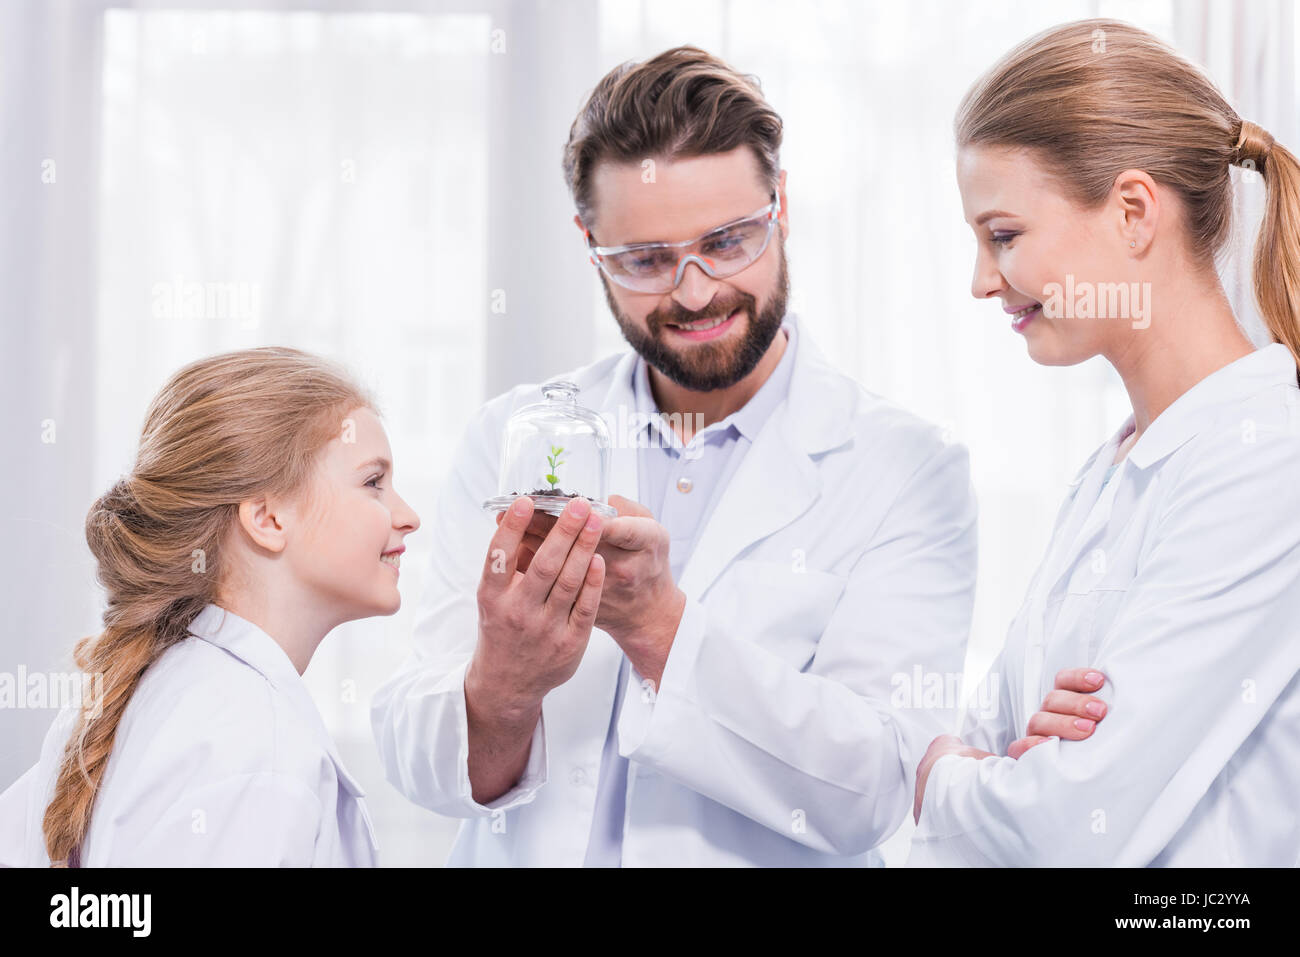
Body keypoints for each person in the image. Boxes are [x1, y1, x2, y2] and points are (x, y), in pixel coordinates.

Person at [371, 46, 979, 866]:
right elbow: (417, 751)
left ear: (782, 206)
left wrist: (659, 624)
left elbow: (870, 790)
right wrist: (504, 686)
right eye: (647, 260)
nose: (695, 292)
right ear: (590, 245)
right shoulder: (517, 436)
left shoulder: (908, 468)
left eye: (728, 242)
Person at [910, 18, 1300, 866]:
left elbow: (1061, 824)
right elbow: (999, 739)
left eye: (1003, 236)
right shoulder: (1113, 469)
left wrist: (943, 777)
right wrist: (1005, 766)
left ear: (1132, 212)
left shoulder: (1266, 461)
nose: (982, 281)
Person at [0, 347, 419, 866]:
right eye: (373, 482)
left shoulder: (151, 696)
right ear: (267, 518)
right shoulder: (252, 743)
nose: (408, 516)